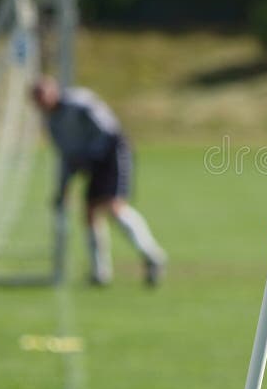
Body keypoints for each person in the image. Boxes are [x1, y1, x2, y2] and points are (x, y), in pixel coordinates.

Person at [30, 76, 166, 286]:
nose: (41, 102)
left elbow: (108, 129)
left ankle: (153, 256)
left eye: (42, 95)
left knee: (113, 207)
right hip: (90, 161)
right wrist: (62, 188)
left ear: (53, 91)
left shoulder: (79, 102)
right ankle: (99, 272)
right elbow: (66, 156)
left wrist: (90, 156)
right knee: (90, 212)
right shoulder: (51, 123)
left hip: (111, 153)